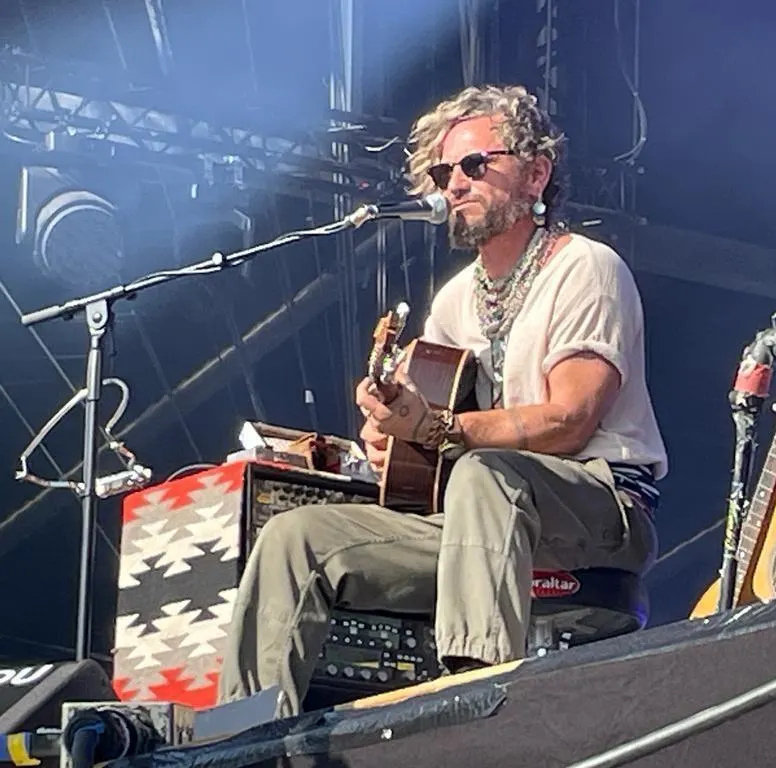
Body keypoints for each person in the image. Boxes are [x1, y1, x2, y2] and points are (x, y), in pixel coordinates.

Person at [217, 84, 667, 718]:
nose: (454, 183)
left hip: (601, 504)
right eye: (442, 171)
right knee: (296, 537)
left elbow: (570, 420)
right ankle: (246, 734)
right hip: (486, 524)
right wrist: (388, 431)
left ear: (536, 174)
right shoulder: (455, 301)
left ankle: (470, 703)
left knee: (486, 476)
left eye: (475, 165)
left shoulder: (587, 267)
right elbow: (420, 440)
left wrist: (439, 426)